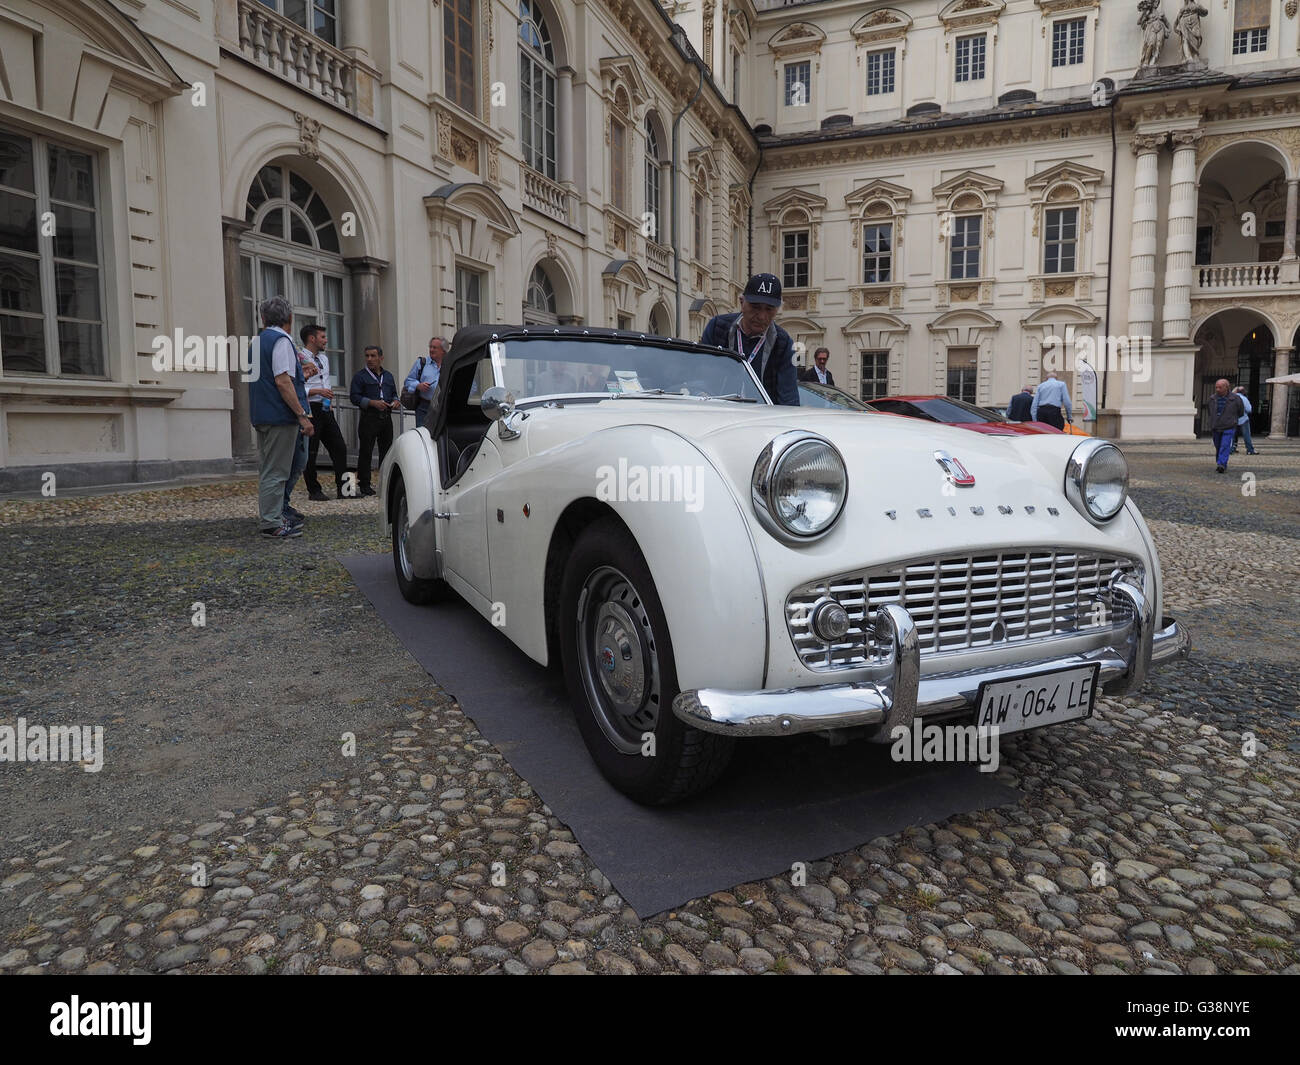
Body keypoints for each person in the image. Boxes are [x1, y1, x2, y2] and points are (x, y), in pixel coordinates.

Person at [249, 295, 314, 539]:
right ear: (289, 318)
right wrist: (302, 415)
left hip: (262, 412)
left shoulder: (256, 342)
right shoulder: (282, 341)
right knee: (277, 472)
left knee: (270, 470)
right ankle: (272, 522)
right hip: (279, 416)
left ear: (263, 318)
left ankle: (273, 516)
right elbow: (282, 381)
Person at [700, 273, 799, 405]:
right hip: (719, 413)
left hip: (759, 420)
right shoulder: (717, 328)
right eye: (756, 307)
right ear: (742, 302)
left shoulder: (783, 344)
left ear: (777, 310)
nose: (762, 316)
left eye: (769, 309)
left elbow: (789, 399)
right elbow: (701, 375)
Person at [300, 323, 350, 500]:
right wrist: (317, 392)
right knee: (311, 452)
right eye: (322, 337)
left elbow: (325, 381)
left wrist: (328, 396)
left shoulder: (324, 359)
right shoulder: (299, 358)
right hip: (310, 408)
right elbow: (296, 388)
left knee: (340, 448)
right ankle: (314, 491)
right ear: (312, 338)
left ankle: (346, 490)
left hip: (325, 408)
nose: (326, 340)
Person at [349, 345, 398, 496]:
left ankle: (385, 483)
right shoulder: (360, 376)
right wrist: (372, 402)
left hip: (386, 417)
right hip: (369, 417)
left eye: (373, 356)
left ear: (381, 358)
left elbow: (394, 393)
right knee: (366, 452)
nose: (369, 359)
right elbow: (354, 397)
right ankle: (364, 484)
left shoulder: (388, 376)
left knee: (387, 452)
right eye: (367, 356)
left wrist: (396, 401)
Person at [403, 337, 446, 424]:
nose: (431, 350)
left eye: (435, 347)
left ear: (443, 351)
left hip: (444, 408)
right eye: (430, 347)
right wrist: (418, 386)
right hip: (424, 407)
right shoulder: (422, 363)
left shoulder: (450, 365)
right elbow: (407, 381)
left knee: (442, 437)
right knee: (423, 436)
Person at [1209, 378, 1245, 473]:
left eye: (1220, 387)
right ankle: (1220, 462)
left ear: (1226, 387)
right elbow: (1210, 412)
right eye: (1216, 387)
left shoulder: (1235, 399)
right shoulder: (1213, 398)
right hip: (1216, 426)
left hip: (1229, 426)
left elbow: (1241, 411)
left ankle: (1222, 464)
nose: (1217, 389)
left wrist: (1233, 419)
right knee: (1218, 445)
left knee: (1225, 445)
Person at [1231, 386, 1258, 455]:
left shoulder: (1231, 398)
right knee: (1246, 435)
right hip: (1243, 419)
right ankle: (1250, 450)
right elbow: (1249, 409)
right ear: (1243, 392)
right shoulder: (1244, 398)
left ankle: (1231, 449)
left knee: (1233, 435)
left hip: (1232, 419)